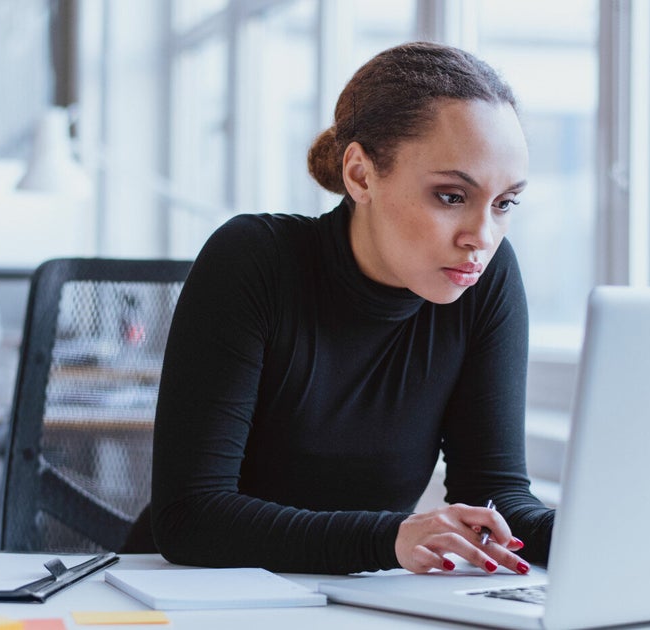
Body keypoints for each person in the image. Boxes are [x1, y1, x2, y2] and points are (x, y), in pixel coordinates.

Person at [150, 41, 555, 576]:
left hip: (355, 603)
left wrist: (611, 530)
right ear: (361, 175)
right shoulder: (253, 260)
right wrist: (390, 539)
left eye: (504, 204)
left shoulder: (487, 280)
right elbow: (189, 518)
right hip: (199, 596)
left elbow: (496, 498)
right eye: (452, 196)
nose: (482, 237)